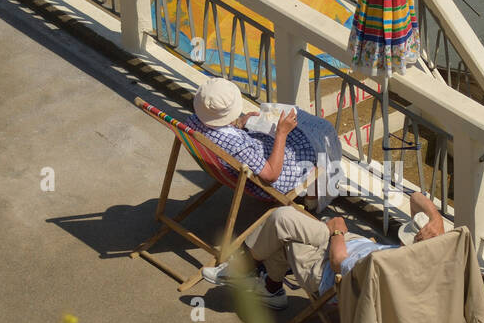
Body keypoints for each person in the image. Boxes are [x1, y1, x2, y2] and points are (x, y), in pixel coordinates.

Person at [201, 191, 446, 309]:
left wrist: (338, 229)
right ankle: (270, 287)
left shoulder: (389, 266)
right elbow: (415, 197)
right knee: (287, 227)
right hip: (354, 245)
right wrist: (435, 218)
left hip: (329, 269)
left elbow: (340, 262)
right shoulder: (434, 261)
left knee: (283, 220)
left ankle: (242, 268)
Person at [186, 78, 341, 207]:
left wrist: (239, 122)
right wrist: (281, 133)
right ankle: (310, 205)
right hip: (265, 179)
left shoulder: (193, 122)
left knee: (303, 128)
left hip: (235, 166)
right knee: (316, 146)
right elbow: (271, 175)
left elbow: (220, 129)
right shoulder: (237, 147)